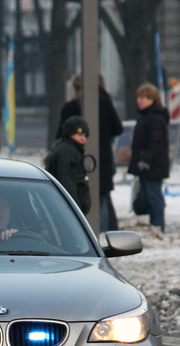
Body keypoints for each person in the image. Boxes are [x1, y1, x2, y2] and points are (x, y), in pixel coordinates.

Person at [55, 75, 124, 231]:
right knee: (102, 200)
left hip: (75, 160)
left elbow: (60, 134)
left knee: (78, 201)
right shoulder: (105, 103)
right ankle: (103, 236)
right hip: (103, 159)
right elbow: (118, 128)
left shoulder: (70, 108)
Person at [127, 83, 169, 238]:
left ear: (153, 99)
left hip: (152, 167)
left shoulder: (155, 118)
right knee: (147, 197)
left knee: (153, 197)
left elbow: (156, 142)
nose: (139, 100)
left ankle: (158, 227)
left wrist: (146, 159)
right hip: (146, 166)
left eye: (143, 97)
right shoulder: (147, 117)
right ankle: (155, 226)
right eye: (138, 97)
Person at [44, 116, 91, 215]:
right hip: (67, 211)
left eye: (85, 135)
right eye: (79, 134)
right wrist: (74, 210)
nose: (83, 138)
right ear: (70, 134)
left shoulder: (69, 150)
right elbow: (67, 183)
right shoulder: (67, 152)